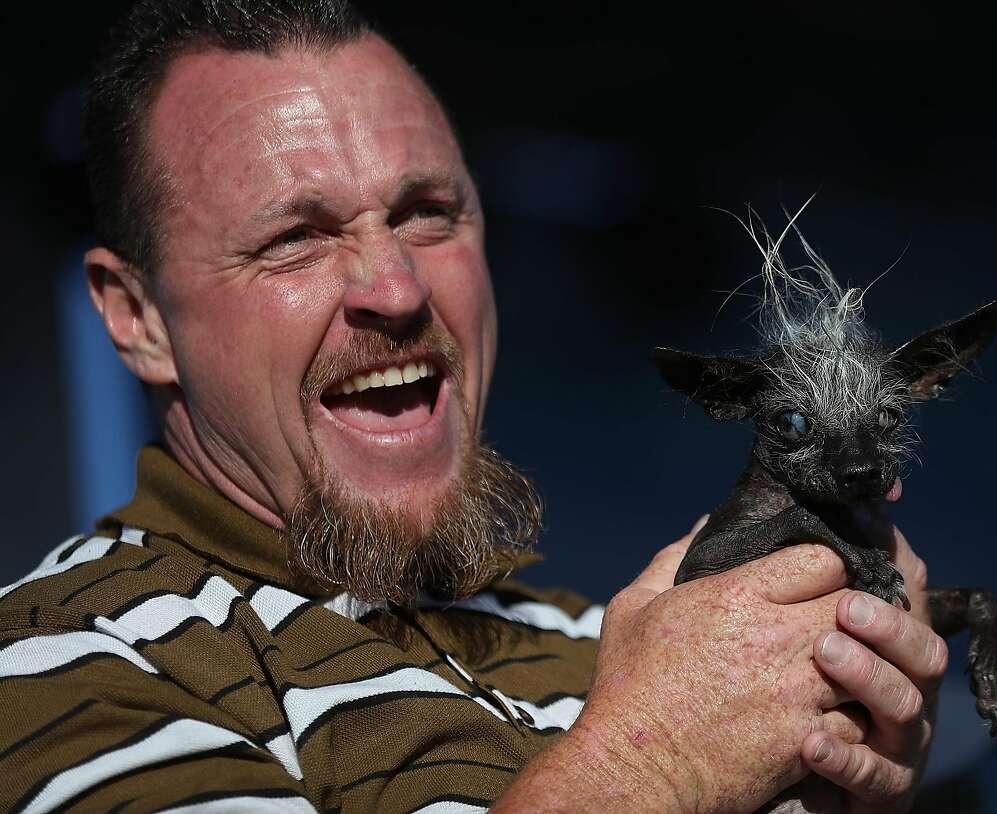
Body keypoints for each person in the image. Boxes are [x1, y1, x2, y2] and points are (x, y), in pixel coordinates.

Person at [0, 2, 948, 812]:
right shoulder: (63, 663)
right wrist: (655, 766)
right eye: (295, 236)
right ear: (139, 319)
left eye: (425, 213)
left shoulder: (613, 643)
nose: (396, 285)